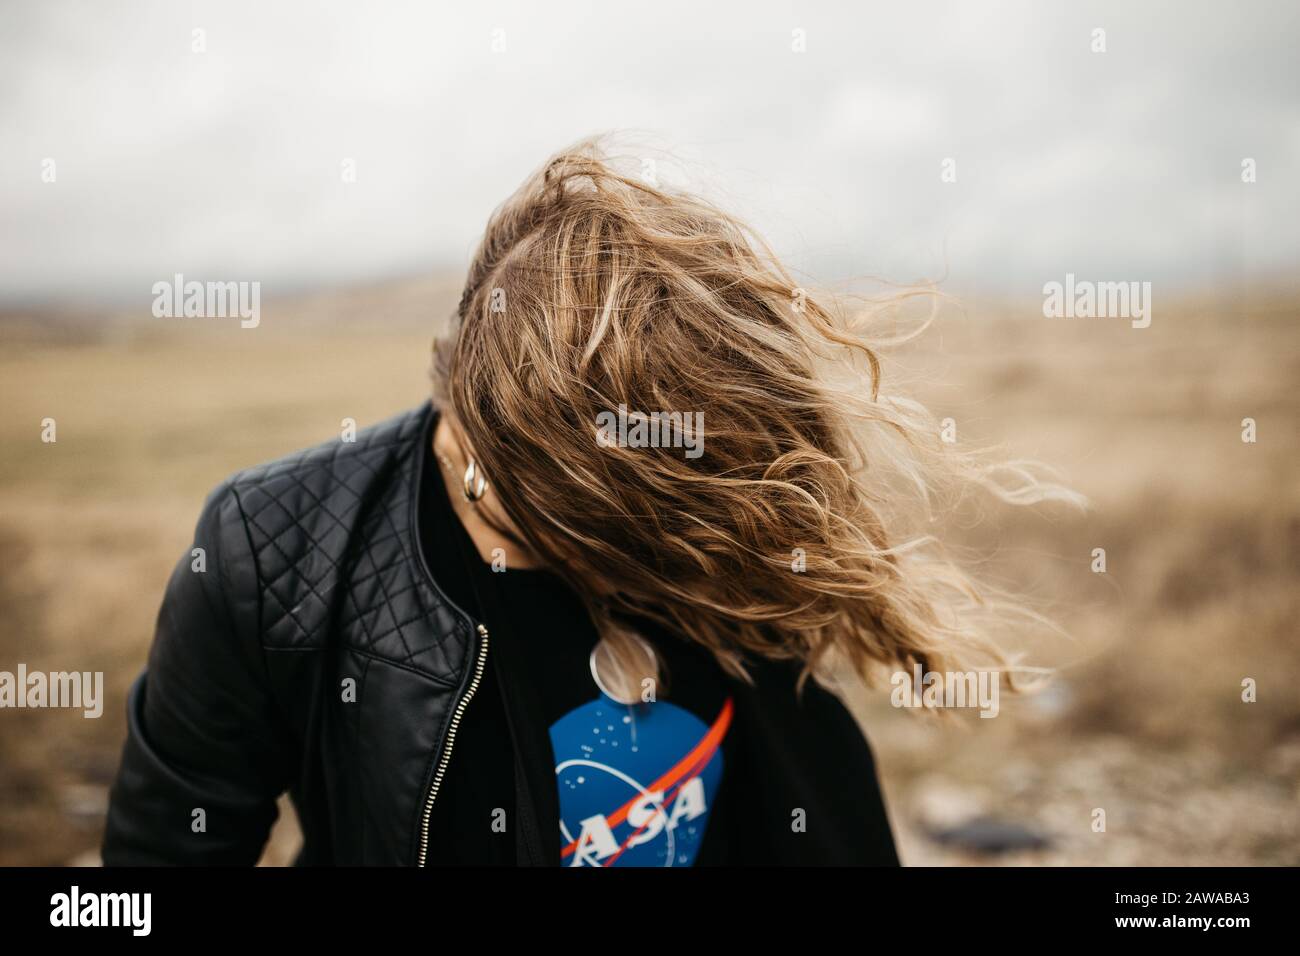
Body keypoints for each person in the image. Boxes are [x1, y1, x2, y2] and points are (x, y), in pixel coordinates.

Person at [103, 139, 1067, 866]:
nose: (646, 569)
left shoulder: (702, 500)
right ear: (494, 452)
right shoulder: (276, 550)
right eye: (607, 533)